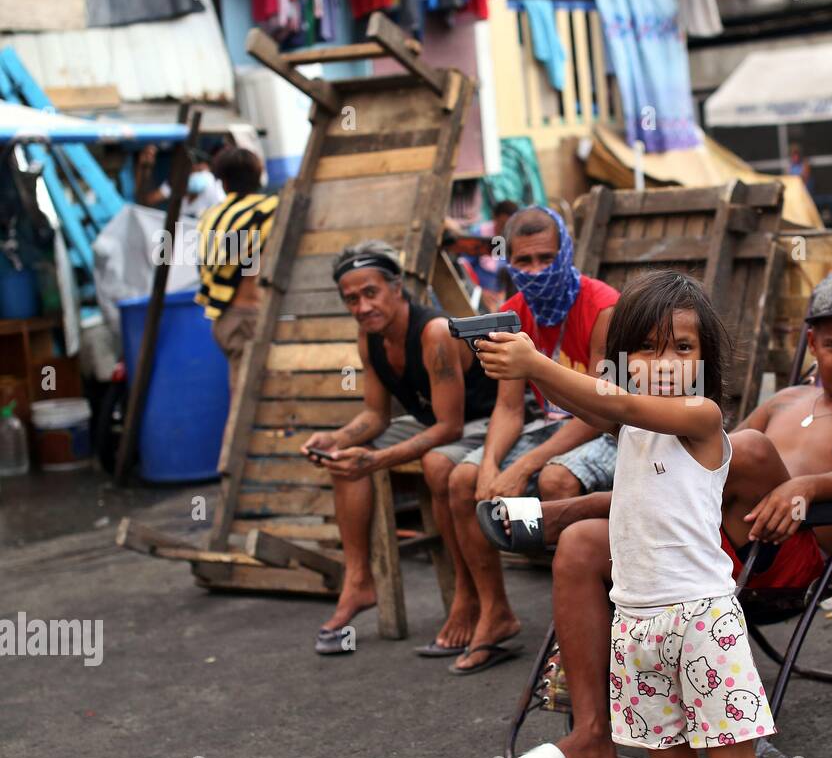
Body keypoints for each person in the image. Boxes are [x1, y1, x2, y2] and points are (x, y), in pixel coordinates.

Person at [497, 270, 832, 758]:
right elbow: (694, 471)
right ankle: (591, 734)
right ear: (812, 343)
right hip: (711, 538)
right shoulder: (786, 399)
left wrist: (805, 488)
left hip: (791, 550)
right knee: (581, 544)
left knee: (746, 448)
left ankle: (567, 509)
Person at [478, 271, 780, 758]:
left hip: (701, 622)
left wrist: (534, 365)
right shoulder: (634, 430)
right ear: (621, 360)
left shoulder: (702, 418)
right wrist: (520, 361)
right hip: (635, 624)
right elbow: (589, 404)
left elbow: (618, 405)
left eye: (682, 348)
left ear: (705, 361)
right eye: (645, 349)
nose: (663, 363)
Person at [442, 206, 620, 674]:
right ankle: (496, 613)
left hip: (606, 424)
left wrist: (522, 467)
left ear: (565, 254)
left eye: (547, 258)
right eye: (525, 261)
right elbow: (509, 407)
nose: (536, 271)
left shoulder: (603, 307)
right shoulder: (513, 313)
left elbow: (605, 407)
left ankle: (585, 631)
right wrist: (488, 467)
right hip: (551, 425)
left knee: (556, 480)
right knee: (462, 480)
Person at [298, 241, 499, 655]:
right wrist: (336, 440)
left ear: (396, 288)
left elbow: (450, 426)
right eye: (351, 299)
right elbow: (375, 416)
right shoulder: (369, 337)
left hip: (482, 421)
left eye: (370, 292)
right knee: (342, 460)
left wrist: (375, 459)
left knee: (435, 465)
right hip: (431, 422)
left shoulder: (434, 333)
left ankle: (467, 595)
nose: (362, 306)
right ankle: (358, 582)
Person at [195, 147, 278, 394]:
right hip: (251, 317)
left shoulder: (211, 216)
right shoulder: (268, 210)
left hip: (224, 319)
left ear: (223, 180)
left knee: (243, 395)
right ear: (258, 174)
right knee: (254, 403)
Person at [136, 146, 228, 221]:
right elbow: (148, 201)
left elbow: (225, 211)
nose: (193, 170)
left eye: (198, 169)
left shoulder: (209, 181)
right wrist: (146, 167)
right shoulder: (177, 181)